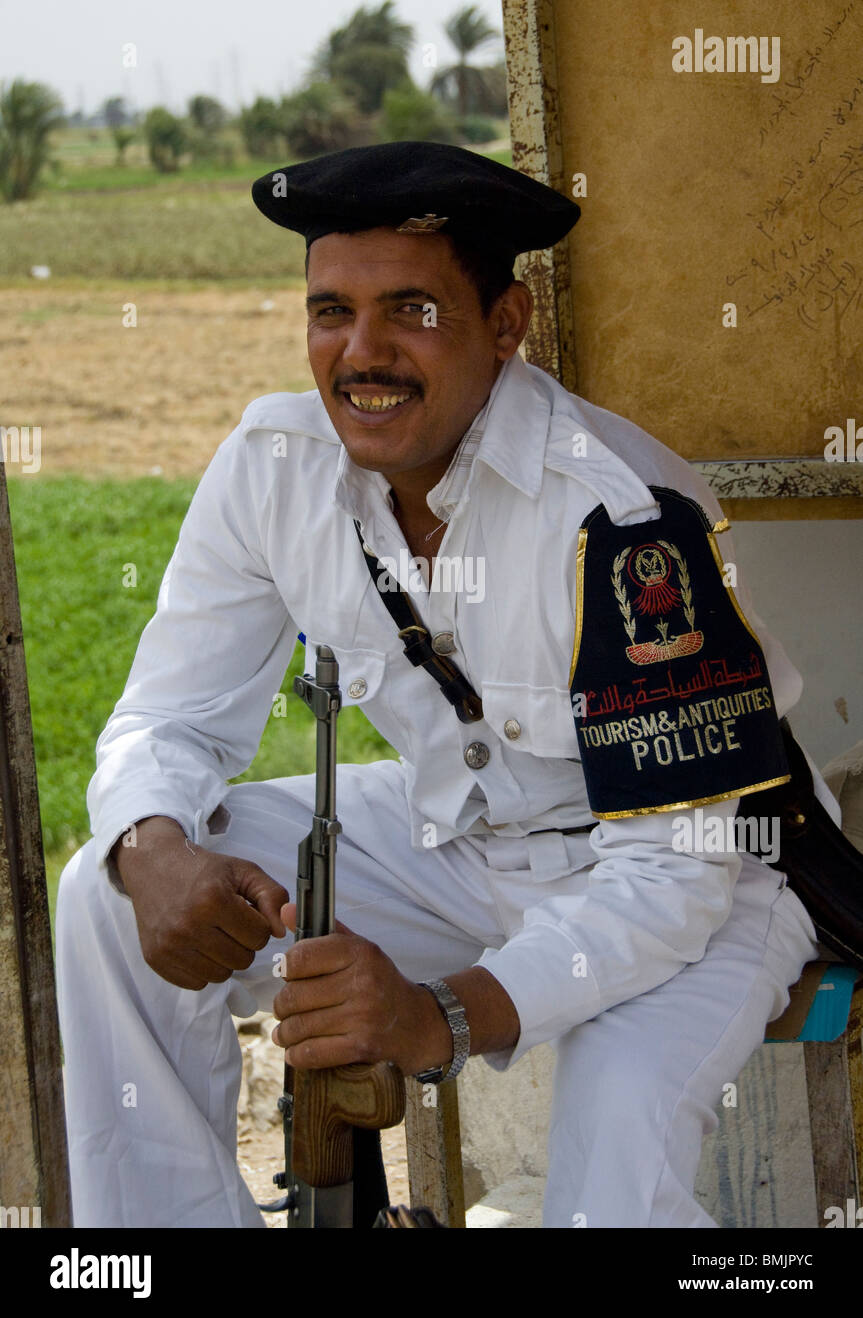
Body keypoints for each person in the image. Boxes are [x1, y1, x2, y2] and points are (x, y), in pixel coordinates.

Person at [55, 141, 834, 1229]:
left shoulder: (619, 517)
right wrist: (154, 843)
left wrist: (442, 1019)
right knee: (105, 887)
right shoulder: (271, 468)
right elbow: (170, 716)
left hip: (700, 875)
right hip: (454, 845)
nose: (359, 353)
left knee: (612, 1170)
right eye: (330, 310)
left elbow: (675, 869)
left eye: (409, 310)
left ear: (506, 325)